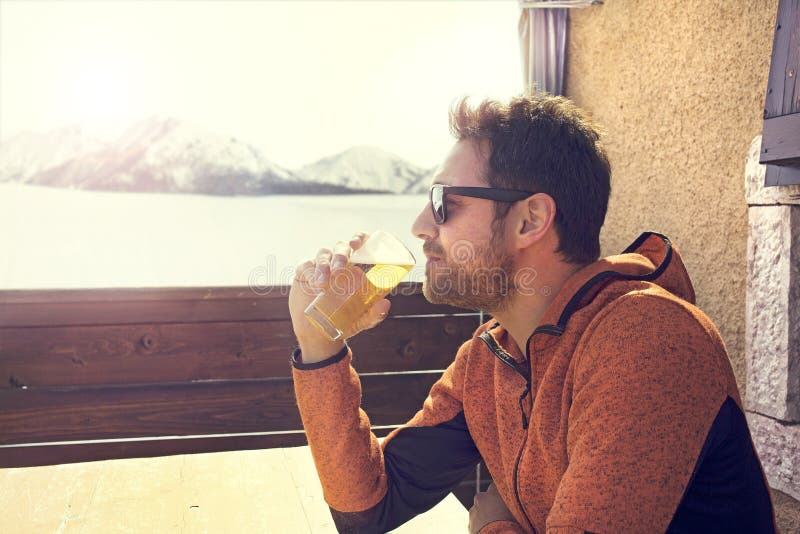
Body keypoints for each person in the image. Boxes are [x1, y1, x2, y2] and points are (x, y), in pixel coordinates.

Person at [288, 94, 776, 533]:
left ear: (531, 220)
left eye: (443, 203)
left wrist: (490, 526)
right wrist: (319, 346)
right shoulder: (490, 360)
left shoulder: (648, 340)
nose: (419, 226)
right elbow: (368, 509)